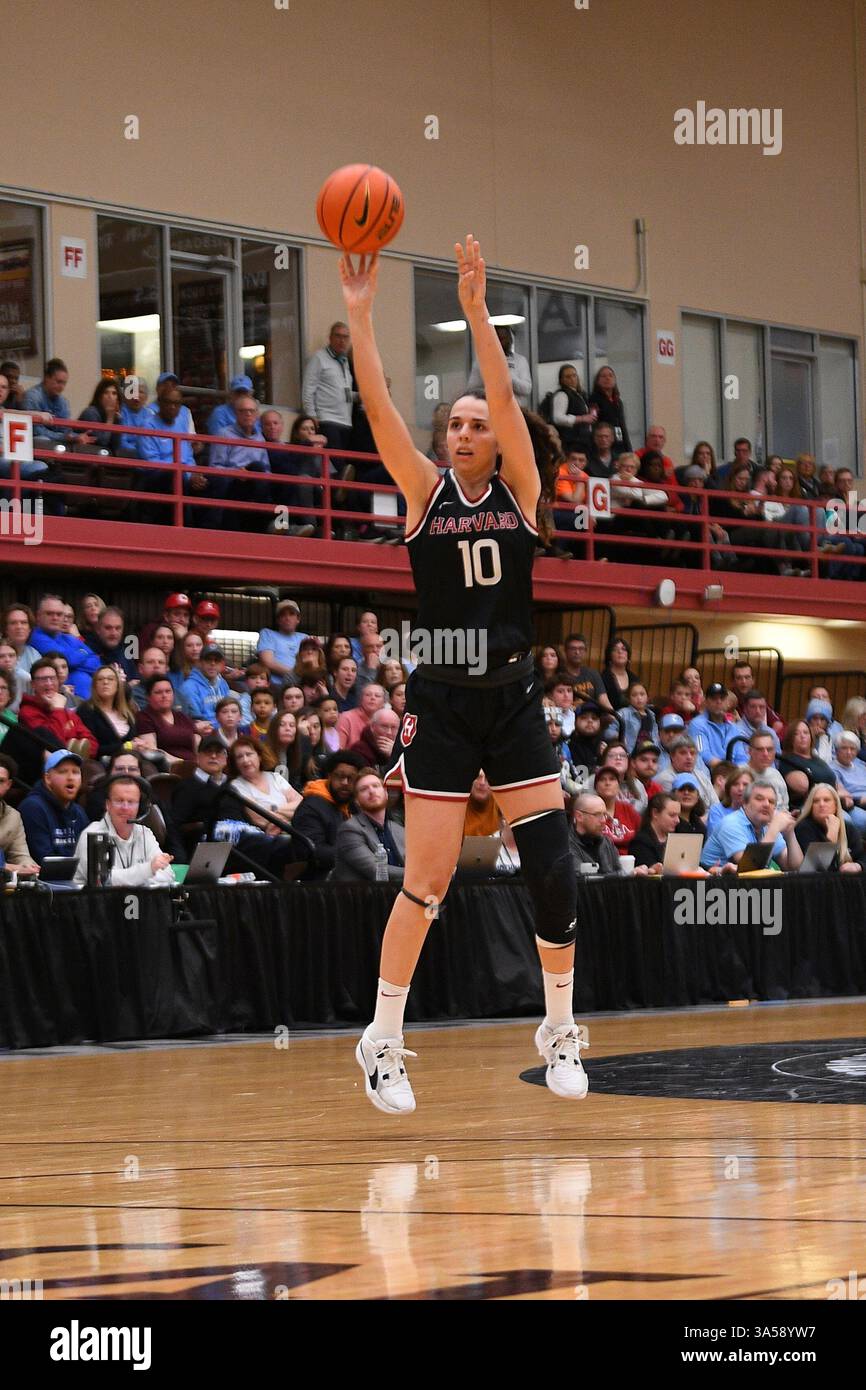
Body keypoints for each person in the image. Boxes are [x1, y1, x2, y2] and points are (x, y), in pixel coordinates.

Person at [341, 234, 587, 1113]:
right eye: (455, 422)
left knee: (553, 870)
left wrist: (479, 313)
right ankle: (383, 1040)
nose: (464, 431)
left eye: (478, 423)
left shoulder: (519, 490)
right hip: (442, 699)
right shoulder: (422, 492)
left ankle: (558, 1031)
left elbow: (508, 401)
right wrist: (362, 316)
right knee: (429, 883)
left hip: (515, 698)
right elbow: (376, 410)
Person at [170, 737, 301, 879]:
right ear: (198, 756)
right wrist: (180, 858)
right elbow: (175, 824)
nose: (213, 756)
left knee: (273, 850)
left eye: (218, 752)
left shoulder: (230, 785)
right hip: (212, 843)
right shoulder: (188, 786)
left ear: (225, 758)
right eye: (208, 752)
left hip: (244, 838)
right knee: (277, 847)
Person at [73, 777, 174, 886]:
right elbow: (103, 880)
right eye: (119, 801)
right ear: (108, 805)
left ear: (139, 807)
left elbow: (168, 875)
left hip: (134, 901)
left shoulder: (145, 833)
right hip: (94, 901)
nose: (125, 807)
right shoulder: (94, 834)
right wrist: (149, 870)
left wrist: (142, 877)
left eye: (131, 802)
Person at [195, 394, 271, 531]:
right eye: (243, 411)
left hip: (253, 483)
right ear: (236, 414)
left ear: (257, 415)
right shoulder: (224, 434)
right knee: (256, 468)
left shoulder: (260, 438)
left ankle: (274, 523)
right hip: (232, 482)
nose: (247, 414)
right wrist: (236, 473)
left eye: (251, 411)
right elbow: (215, 467)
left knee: (262, 471)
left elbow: (267, 469)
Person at [700, 777, 803, 870]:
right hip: (710, 886)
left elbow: (794, 867)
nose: (766, 804)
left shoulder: (768, 826)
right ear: (745, 804)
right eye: (759, 799)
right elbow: (751, 867)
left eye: (771, 801)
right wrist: (774, 829)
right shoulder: (731, 823)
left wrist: (790, 834)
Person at [292, 749, 363, 878]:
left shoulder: (353, 806)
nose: (345, 783)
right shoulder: (312, 807)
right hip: (320, 882)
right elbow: (312, 851)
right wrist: (356, 855)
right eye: (340, 776)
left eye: (351, 778)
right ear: (329, 776)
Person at [333, 768, 406, 883]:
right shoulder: (349, 830)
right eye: (364, 789)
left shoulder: (399, 830)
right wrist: (416, 874)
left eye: (376, 786)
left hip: (399, 895)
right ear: (357, 801)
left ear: (386, 793)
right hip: (363, 897)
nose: (371, 791)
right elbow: (375, 870)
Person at [136, 386, 196, 522]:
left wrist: (193, 473)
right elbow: (151, 462)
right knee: (175, 476)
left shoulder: (181, 425)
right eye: (168, 402)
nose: (172, 407)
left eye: (177, 403)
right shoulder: (147, 425)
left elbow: (188, 456)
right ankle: (186, 527)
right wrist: (183, 473)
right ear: (160, 403)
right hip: (155, 477)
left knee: (213, 482)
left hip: (181, 474)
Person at [19, 749, 90, 864]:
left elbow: (88, 854)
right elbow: (44, 860)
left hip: (74, 877)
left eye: (76, 772)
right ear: (48, 779)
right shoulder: (32, 808)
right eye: (63, 772)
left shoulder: (78, 812)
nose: (70, 777)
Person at [18, 659, 98, 756]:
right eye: (43, 679)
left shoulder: (67, 712)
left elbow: (93, 744)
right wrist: (58, 710)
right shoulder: (27, 712)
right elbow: (52, 744)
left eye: (52, 678)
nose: (49, 683)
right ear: (33, 684)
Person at [29, 594, 101, 698]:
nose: (55, 618)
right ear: (38, 616)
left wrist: (75, 663)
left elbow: (96, 663)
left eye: (59, 614)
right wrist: (83, 653)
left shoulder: (68, 638)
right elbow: (69, 659)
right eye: (49, 613)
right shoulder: (36, 637)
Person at [301, 322, 357, 452]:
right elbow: (308, 389)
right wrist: (312, 417)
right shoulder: (319, 358)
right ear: (330, 338)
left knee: (341, 464)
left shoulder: (345, 362)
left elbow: (343, 393)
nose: (342, 341)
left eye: (345, 337)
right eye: (338, 336)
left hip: (346, 422)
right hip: (327, 420)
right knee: (337, 462)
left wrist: (362, 396)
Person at [264, 411, 321, 537]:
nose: (272, 427)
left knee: (306, 479)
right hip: (282, 490)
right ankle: (312, 530)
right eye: (268, 424)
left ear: (282, 426)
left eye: (275, 423)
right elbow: (282, 466)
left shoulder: (286, 447)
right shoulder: (264, 446)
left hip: (304, 489)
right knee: (302, 481)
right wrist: (308, 444)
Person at [229, 736, 302, 826]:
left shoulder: (275, 777)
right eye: (239, 757)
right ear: (235, 763)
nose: (245, 760)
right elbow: (259, 818)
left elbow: (301, 806)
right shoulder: (237, 785)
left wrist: (274, 808)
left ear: (259, 756)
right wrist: (290, 816)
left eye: (249, 754)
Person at [23, 358, 97, 447]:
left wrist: (75, 437)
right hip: (33, 444)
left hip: (57, 443)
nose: (62, 387)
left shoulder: (63, 402)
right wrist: (65, 437)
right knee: (42, 440)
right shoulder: (32, 396)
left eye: (64, 383)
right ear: (46, 378)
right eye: (58, 382)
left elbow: (66, 430)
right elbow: (35, 430)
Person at [793, 782, 864, 871]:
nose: (821, 804)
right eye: (816, 801)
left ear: (836, 805)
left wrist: (858, 866)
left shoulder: (847, 827)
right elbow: (815, 869)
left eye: (826, 800)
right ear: (811, 806)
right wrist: (831, 838)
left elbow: (862, 856)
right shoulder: (803, 827)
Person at [77, 665, 139, 759]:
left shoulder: (127, 712)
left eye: (110, 679)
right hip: (101, 763)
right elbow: (91, 748)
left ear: (118, 685)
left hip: (131, 760)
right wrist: (123, 747)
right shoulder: (86, 710)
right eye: (100, 679)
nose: (105, 682)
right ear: (95, 686)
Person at [135, 675, 199, 764]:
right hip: (168, 767)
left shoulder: (182, 717)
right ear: (148, 697)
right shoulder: (144, 717)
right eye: (158, 692)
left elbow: (198, 746)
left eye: (168, 691)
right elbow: (151, 750)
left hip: (194, 765)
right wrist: (182, 763)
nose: (164, 695)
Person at [778, 719, 838, 812]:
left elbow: (834, 780)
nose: (802, 736)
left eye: (806, 733)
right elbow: (803, 786)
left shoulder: (817, 759)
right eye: (796, 734)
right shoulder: (788, 760)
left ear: (811, 737)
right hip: (807, 808)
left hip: (831, 803)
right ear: (790, 739)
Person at [467, 324, 532, 406]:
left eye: (505, 338)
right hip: (491, 409)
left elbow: (527, 389)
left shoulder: (520, 360)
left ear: (510, 340)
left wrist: (509, 378)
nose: (502, 342)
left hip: (516, 410)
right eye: (499, 339)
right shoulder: (481, 362)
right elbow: (471, 391)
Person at [543, 364, 596, 452]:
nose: (572, 379)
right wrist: (581, 418)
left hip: (582, 440)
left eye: (574, 375)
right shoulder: (562, 395)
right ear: (561, 380)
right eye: (568, 377)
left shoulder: (579, 394)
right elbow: (557, 418)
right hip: (569, 442)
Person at [0, 753, 38, 874]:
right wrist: (8, 867)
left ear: (8, 785)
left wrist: (30, 868)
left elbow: (20, 855)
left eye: (0, 781)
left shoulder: (13, 817)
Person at [568, 793, 622, 874]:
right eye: (597, 815)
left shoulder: (607, 842)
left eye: (605, 815)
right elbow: (579, 880)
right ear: (579, 816)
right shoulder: (566, 845)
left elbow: (620, 875)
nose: (603, 820)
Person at [256, 600, 309, 682]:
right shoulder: (267, 634)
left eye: (291, 614)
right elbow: (267, 662)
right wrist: (295, 675)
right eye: (283, 615)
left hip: (302, 686)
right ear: (278, 620)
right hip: (276, 686)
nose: (287, 618)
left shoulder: (305, 638)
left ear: (298, 619)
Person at [179, 645, 230, 727]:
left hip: (224, 730)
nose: (212, 663)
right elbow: (196, 719)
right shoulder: (189, 687)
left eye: (216, 660)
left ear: (221, 664)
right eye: (208, 660)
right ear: (200, 662)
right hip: (204, 733)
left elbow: (229, 710)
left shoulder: (223, 683)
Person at [83, 606, 137, 682]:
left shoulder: (126, 654)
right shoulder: (86, 651)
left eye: (118, 628)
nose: (113, 633)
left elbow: (135, 681)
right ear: (98, 629)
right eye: (108, 628)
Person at [629, 793, 681, 872]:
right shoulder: (640, 842)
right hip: (659, 883)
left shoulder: (677, 838)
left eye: (678, 815)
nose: (677, 820)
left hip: (681, 882)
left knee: (701, 883)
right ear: (655, 813)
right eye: (672, 815)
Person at [592, 765, 640, 850]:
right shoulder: (590, 810)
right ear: (596, 787)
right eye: (602, 779)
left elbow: (641, 837)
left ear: (618, 786)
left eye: (612, 779)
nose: (607, 783)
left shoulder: (628, 809)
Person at [561, 633, 613, 710]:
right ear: (565, 651)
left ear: (585, 651)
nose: (577, 652)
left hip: (593, 716)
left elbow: (604, 701)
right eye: (573, 648)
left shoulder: (593, 673)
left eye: (581, 649)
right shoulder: (559, 675)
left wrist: (615, 718)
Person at [687, 683, 733, 768]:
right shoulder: (697, 724)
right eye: (714, 698)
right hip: (707, 773)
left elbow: (741, 757)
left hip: (733, 774)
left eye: (722, 698)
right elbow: (702, 753)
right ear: (706, 702)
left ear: (728, 702)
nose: (718, 701)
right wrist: (727, 769)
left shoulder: (733, 728)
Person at [348, 705, 399, 777]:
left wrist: (394, 755)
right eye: (384, 726)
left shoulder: (401, 750)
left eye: (393, 727)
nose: (389, 732)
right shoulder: (359, 750)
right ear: (372, 727)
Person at [588, 365, 631, 451]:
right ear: (598, 381)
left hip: (619, 442)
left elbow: (622, 425)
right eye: (603, 376)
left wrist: (628, 447)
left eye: (610, 375)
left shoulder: (618, 401)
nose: (607, 378)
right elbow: (593, 421)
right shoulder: (594, 400)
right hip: (604, 443)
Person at [743, 731, 789, 810]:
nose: (765, 754)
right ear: (749, 751)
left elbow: (785, 807)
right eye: (760, 749)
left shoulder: (776, 774)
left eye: (769, 749)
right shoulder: (740, 775)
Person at [704, 765, 754, 837]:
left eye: (745, 785)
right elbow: (719, 838)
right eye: (736, 784)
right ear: (729, 788)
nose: (740, 788)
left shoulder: (755, 812)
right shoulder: (717, 810)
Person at [264, 711, 309, 791]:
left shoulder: (301, 750)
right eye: (282, 725)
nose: (288, 728)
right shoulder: (263, 754)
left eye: (292, 725)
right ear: (274, 729)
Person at [78, 377, 124, 453]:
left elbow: (116, 447)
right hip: (85, 456)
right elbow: (102, 443)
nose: (110, 396)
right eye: (106, 392)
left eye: (114, 393)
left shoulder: (115, 416)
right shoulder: (90, 412)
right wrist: (110, 419)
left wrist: (118, 420)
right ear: (99, 397)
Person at [619, 681, 659, 752]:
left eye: (642, 694)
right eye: (634, 695)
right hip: (631, 751)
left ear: (647, 697)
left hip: (648, 750)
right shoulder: (623, 713)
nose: (639, 698)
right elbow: (611, 730)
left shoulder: (651, 715)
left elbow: (655, 736)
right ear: (628, 698)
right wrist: (621, 739)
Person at [601, 636, 638, 711]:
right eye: (615, 649)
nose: (620, 652)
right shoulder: (602, 677)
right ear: (609, 655)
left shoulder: (634, 678)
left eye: (624, 649)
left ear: (628, 656)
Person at [3, 604, 41, 673]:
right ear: (6, 629)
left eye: (23, 623)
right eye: (13, 623)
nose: (19, 627)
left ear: (30, 628)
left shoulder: (34, 654)